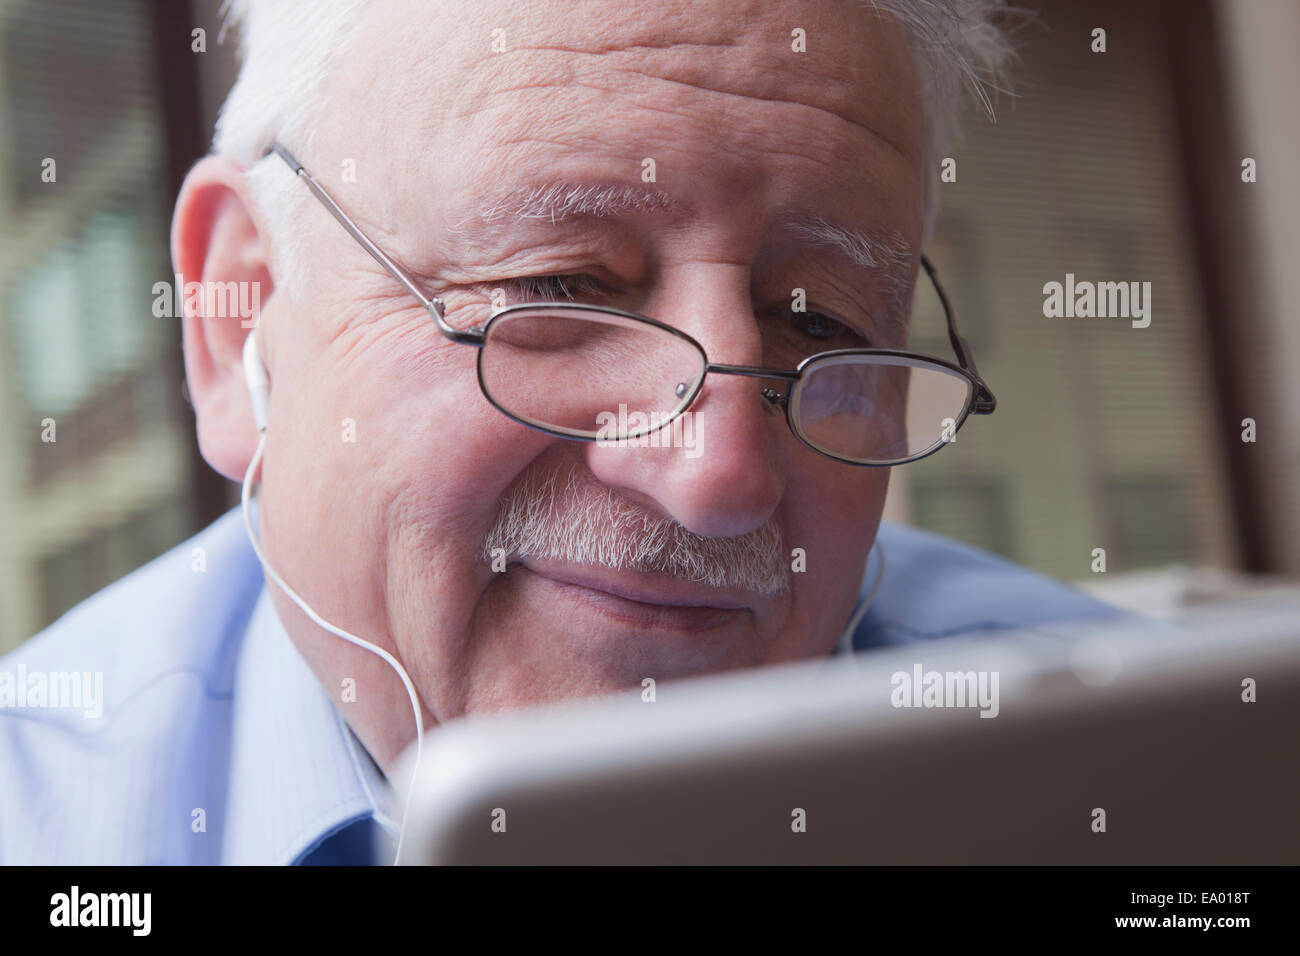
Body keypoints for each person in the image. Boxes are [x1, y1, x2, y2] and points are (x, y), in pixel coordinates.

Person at [0, 0, 1129, 864]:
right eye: (560, 287)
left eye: (814, 319)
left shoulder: (1136, 765)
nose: (719, 472)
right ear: (244, 315)